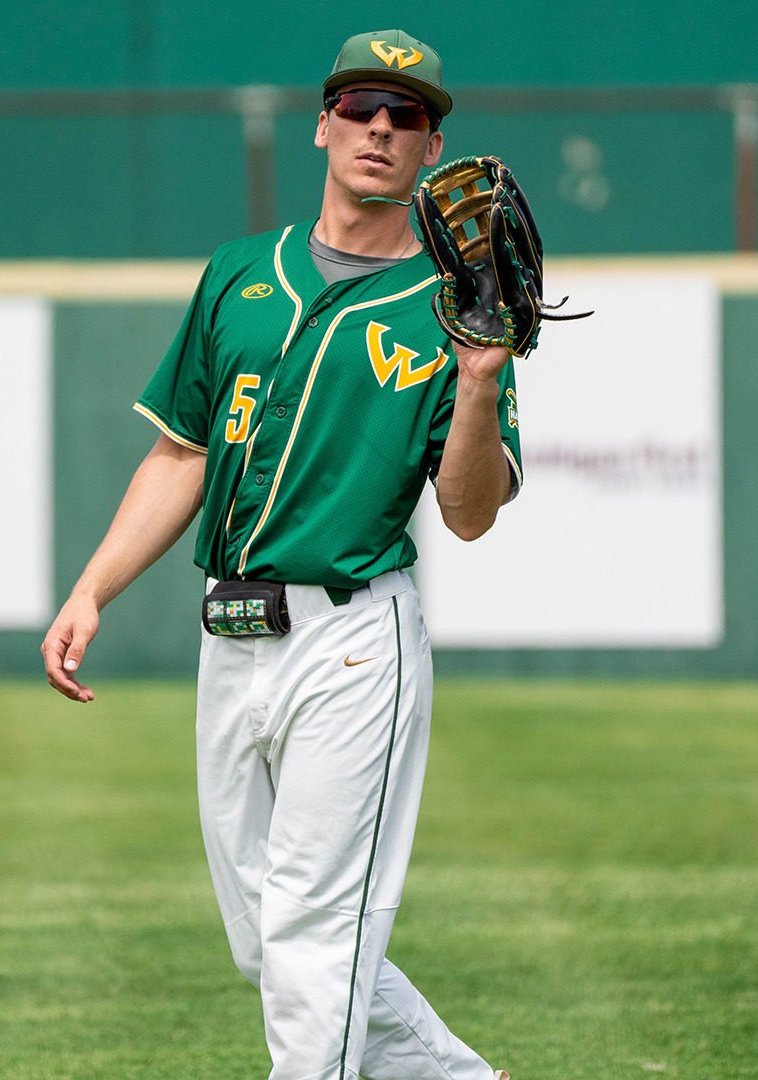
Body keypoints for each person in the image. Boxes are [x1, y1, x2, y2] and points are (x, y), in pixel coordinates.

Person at [42, 29, 518, 1080]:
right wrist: (92, 589)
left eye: (406, 115)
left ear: (433, 145)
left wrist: (480, 381)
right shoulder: (239, 274)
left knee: (312, 934)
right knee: (273, 940)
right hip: (232, 632)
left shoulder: (455, 306)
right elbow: (181, 453)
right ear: (323, 125)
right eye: (360, 108)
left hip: (354, 640)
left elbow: (472, 512)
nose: (380, 129)